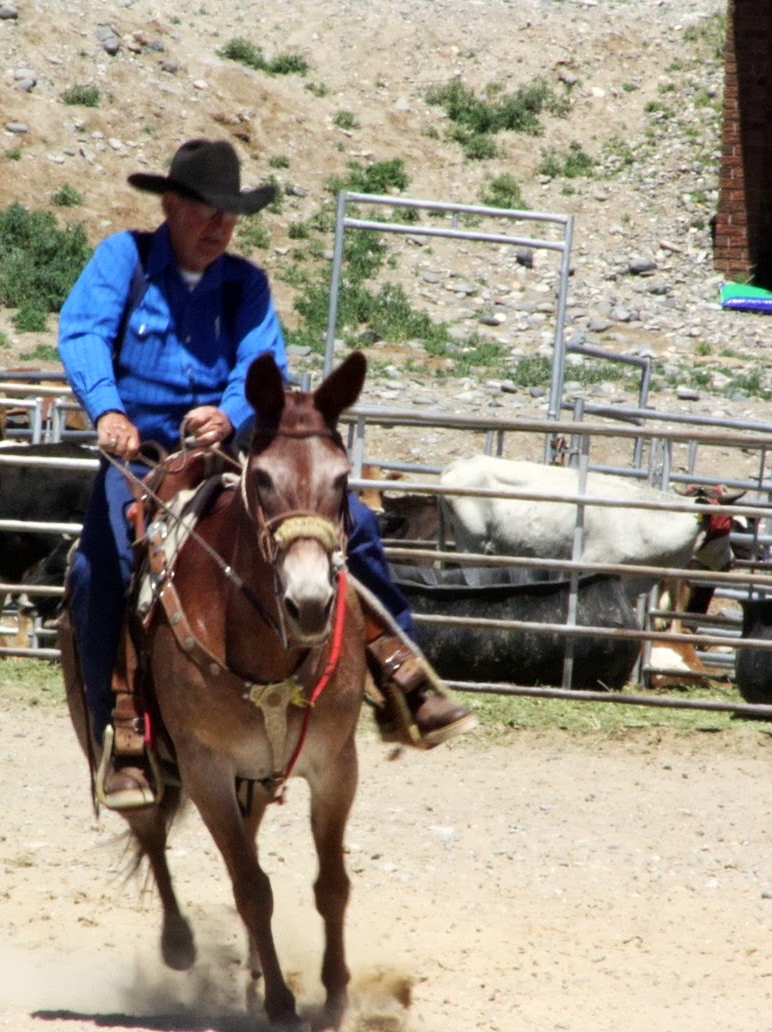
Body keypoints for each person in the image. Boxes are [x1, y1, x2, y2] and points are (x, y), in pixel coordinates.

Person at [57, 138, 473, 811]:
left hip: (223, 453)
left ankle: (404, 673)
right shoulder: (122, 261)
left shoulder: (244, 283)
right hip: (138, 455)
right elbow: (82, 332)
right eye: (204, 211)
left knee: (352, 522)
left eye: (229, 214)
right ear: (170, 206)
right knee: (97, 565)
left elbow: (262, 357)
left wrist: (226, 415)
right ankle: (121, 727)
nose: (218, 226)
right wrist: (107, 408)